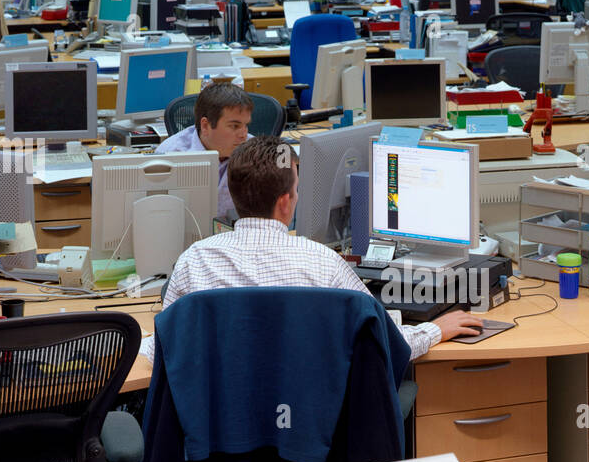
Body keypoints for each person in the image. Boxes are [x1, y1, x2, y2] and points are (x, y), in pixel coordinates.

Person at [163, 136, 484, 355]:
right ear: (286, 201)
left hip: (218, 434)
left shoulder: (194, 260)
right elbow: (383, 341)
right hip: (309, 435)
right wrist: (435, 330)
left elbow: (162, 346)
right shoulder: (322, 263)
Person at [155, 81, 253, 224]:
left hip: (237, 239)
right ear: (206, 126)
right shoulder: (170, 155)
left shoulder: (253, 152)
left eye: (246, 125)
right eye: (234, 126)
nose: (243, 134)